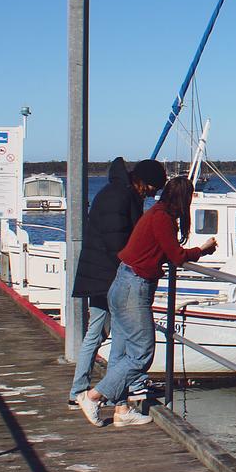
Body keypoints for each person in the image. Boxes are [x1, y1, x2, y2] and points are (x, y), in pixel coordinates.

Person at [76, 176, 216, 427]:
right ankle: (93, 396)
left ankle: (121, 410)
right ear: (183, 199)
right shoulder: (162, 219)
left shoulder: (155, 213)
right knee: (142, 352)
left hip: (123, 281)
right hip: (134, 287)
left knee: (121, 351)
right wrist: (202, 250)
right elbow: (176, 256)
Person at [68, 158, 167, 408]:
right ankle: (106, 395)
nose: (152, 193)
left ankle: (82, 390)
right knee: (114, 335)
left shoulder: (115, 192)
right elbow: (119, 244)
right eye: (153, 187)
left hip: (100, 273)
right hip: (108, 275)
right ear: (142, 183)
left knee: (98, 333)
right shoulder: (120, 197)